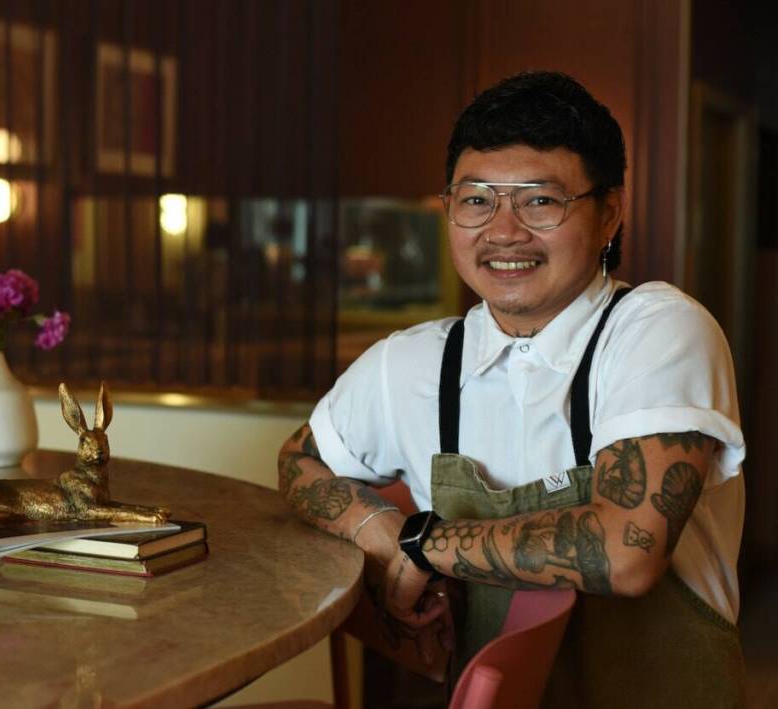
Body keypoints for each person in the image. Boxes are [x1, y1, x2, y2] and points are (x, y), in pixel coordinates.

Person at [278, 71, 745, 707]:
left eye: (540, 201)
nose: (502, 231)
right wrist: (379, 528)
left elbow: (626, 552)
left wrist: (423, 546)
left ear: (609, 213)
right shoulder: (412, 362)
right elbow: (299, 461)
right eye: (476, 200)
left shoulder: (658, 331)